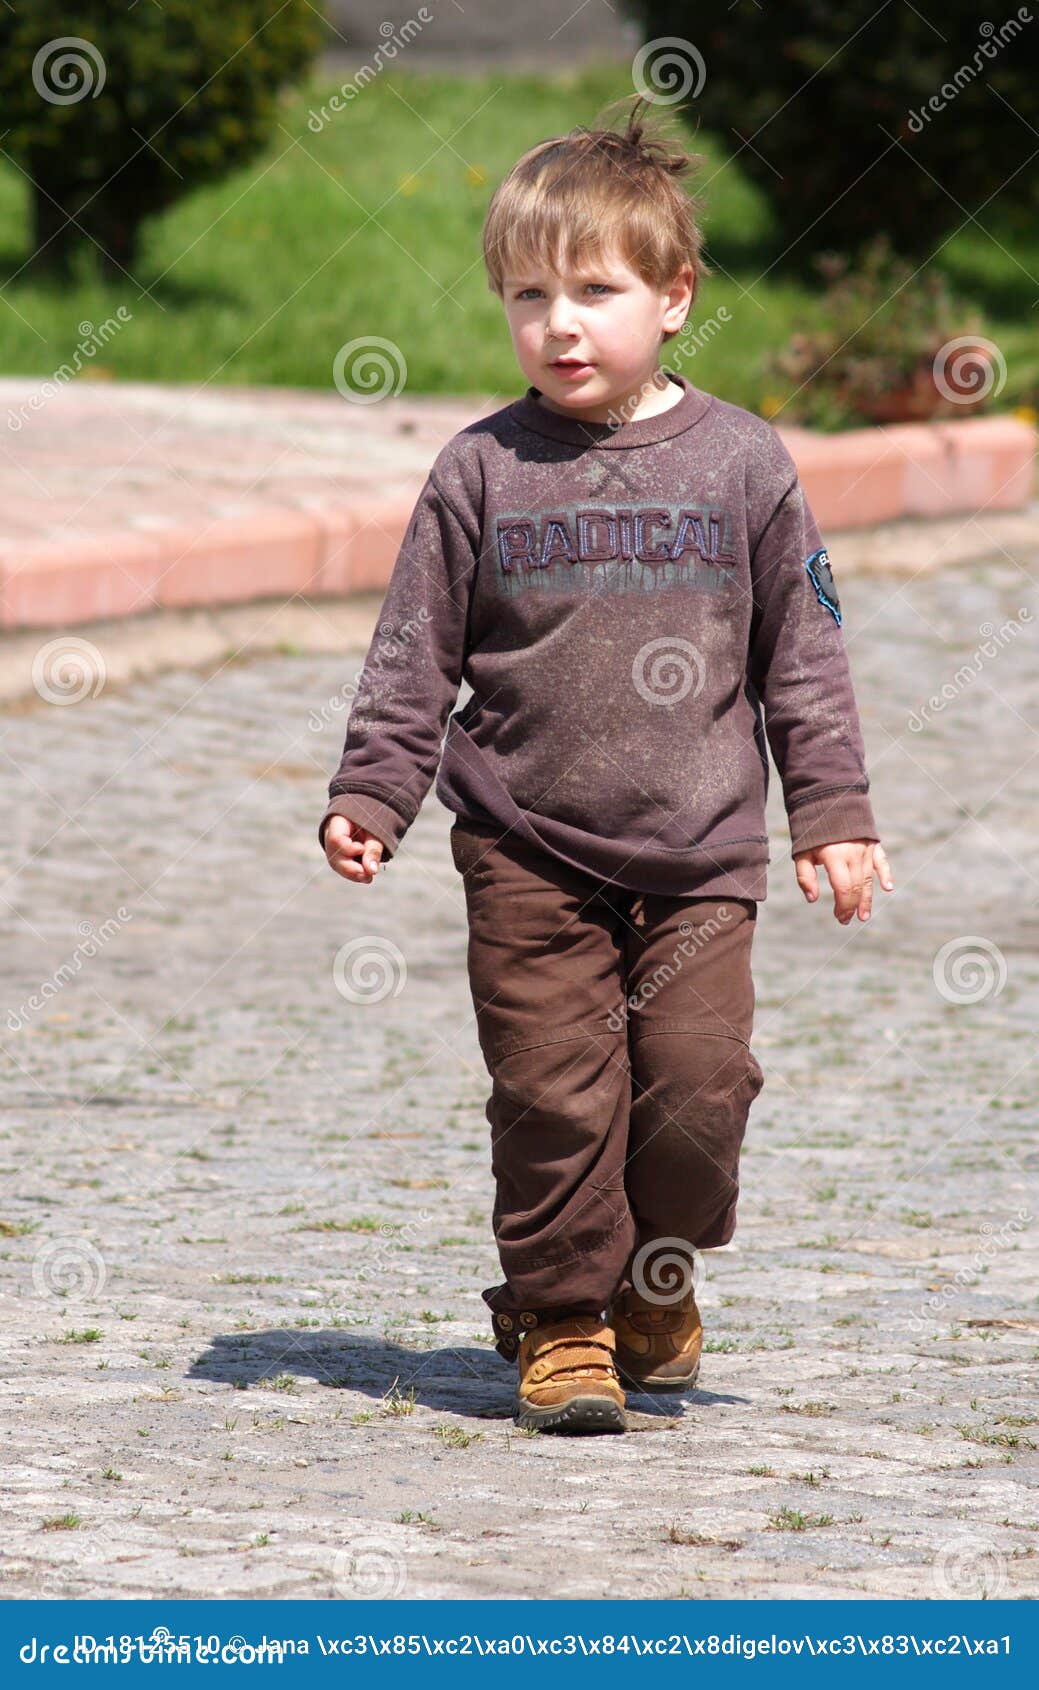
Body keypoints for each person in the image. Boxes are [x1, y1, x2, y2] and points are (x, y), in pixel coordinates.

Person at [318, 95, 894, 1435]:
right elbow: (414, 651)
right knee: (553, 1090)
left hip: (698, 854)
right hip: (524, 844)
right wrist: (372, 791)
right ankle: (566, 1319)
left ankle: (658, 1275)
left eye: (593, 289)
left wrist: (835, 815)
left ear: (676, 297)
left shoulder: (744, 465)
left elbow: (805, 653)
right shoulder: (481, 473)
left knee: (695, 1095)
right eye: (528, 295)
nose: (557, 323)